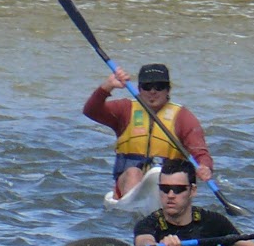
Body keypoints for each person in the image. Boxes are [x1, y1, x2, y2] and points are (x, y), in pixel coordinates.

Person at [83, 63, 213, 199]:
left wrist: (205, 167)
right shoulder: (124, 110)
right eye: (147, 86)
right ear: (139, 89)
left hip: (166, 185)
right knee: (133, 172)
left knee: (160, 176)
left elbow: (200, 152)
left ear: (168, 90)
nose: (153, 92)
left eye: (159, 87)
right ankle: (133, 208)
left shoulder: (183, 117)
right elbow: (90, 111)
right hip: (129, 182)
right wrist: (107, 86)